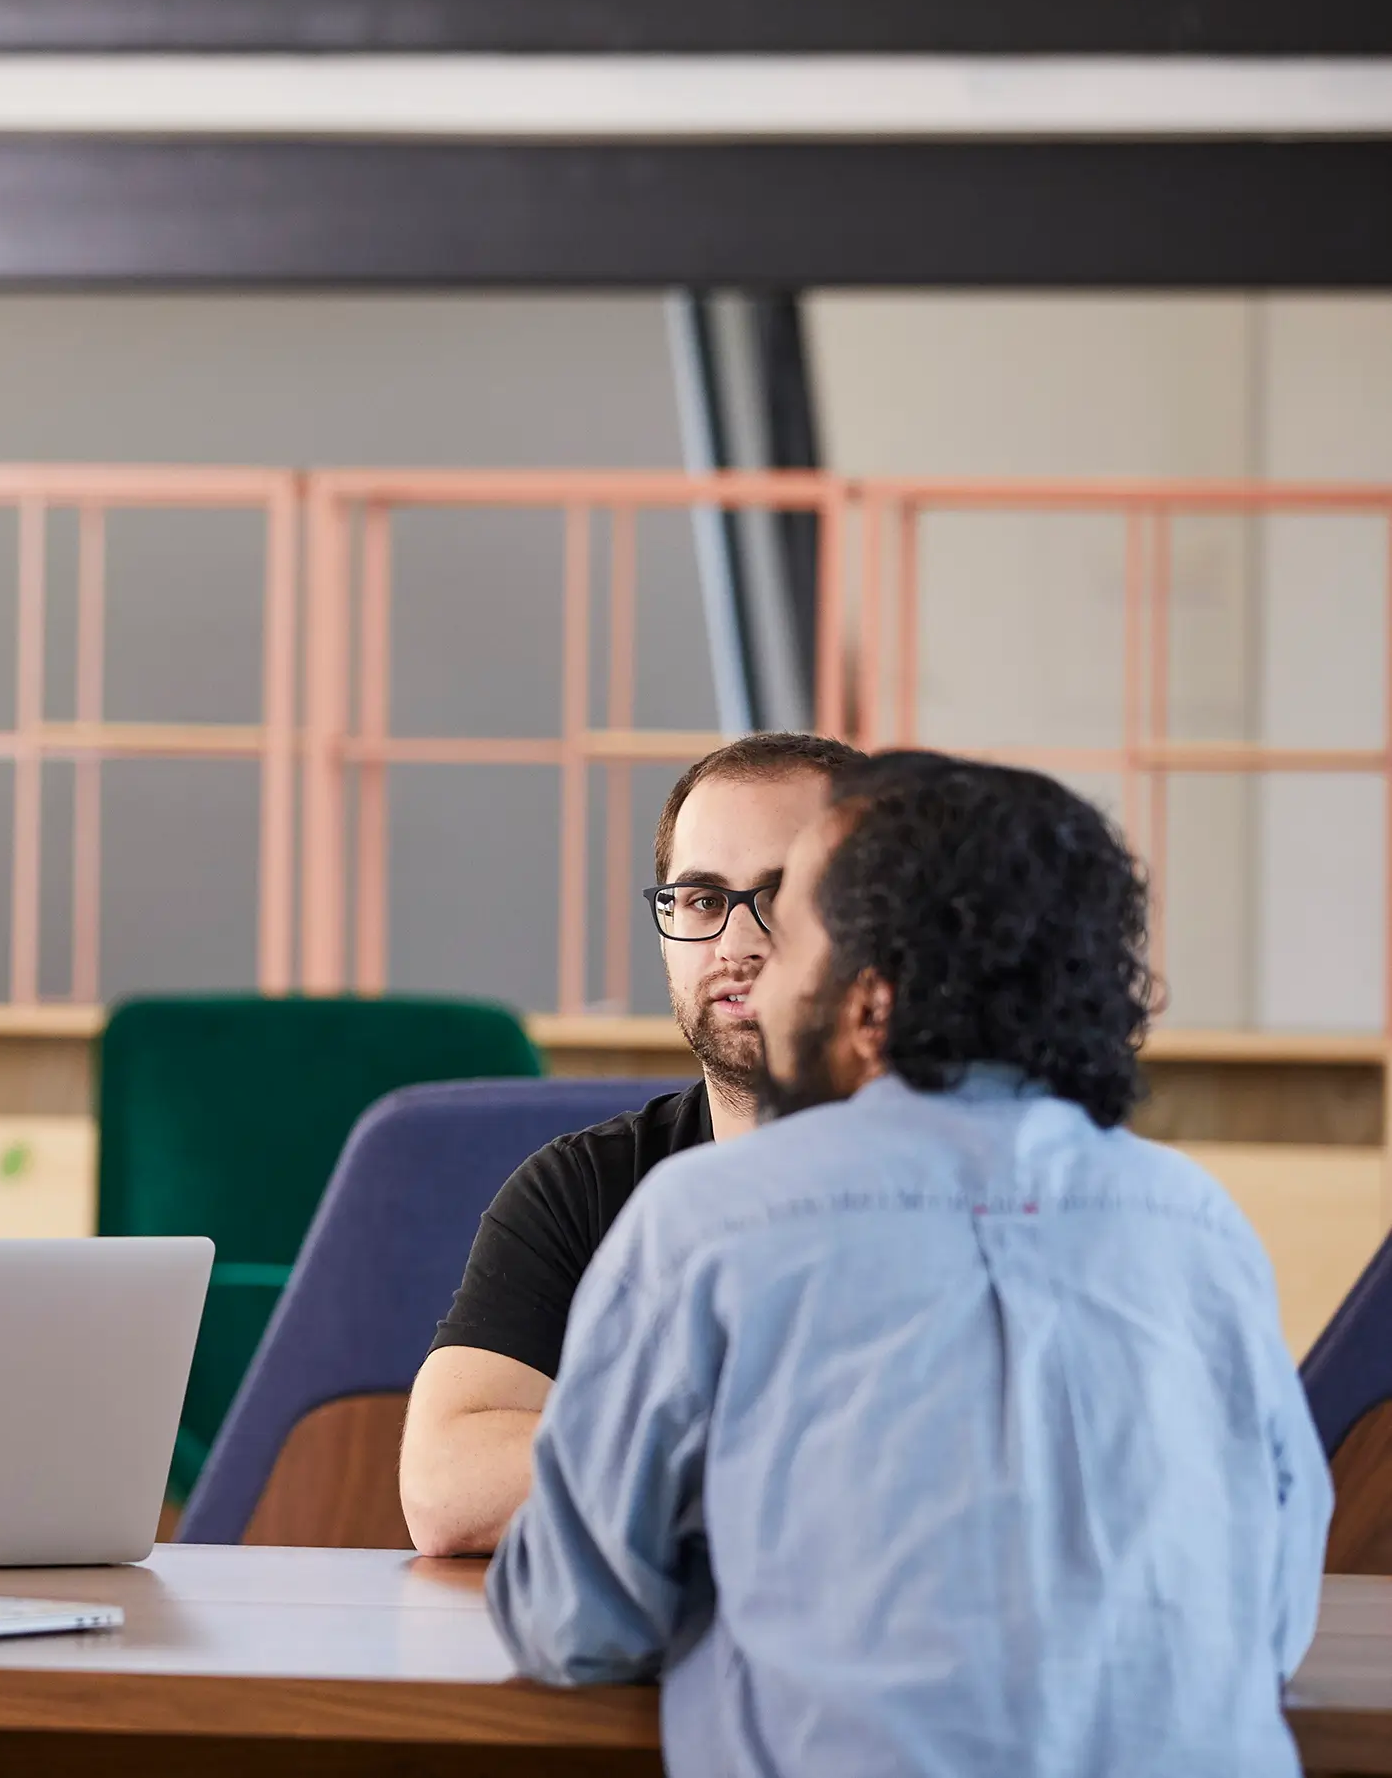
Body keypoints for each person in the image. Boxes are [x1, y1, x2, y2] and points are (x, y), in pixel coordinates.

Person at [489, 752, 1327, 1776]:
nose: (752, 961)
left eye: (787, 933)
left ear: (868, 1002)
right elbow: (1272, 1621)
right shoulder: (1199, 1226)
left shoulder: (711, 1222)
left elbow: (569, 1620)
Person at [400, 731, 862, 1555]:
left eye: (785, 895)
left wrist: (620, 1461)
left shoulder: (963, 1181)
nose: (737, 943)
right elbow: (447, 1483)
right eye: (701, 899)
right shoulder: (582, 1187)